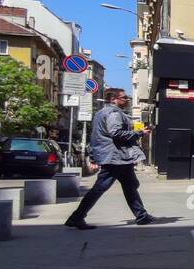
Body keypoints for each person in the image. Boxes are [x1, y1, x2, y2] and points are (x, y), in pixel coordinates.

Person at [65, 89, 156, 229]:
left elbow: (97, 136)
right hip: (115, 157)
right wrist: (139, 133)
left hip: (119, 158)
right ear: (113, 99)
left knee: (131, 185)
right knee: (100, 188)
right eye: (124, 98)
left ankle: (141, 216)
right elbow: (116, 133)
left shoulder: (102, 113)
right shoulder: (114, 113)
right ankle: (77, 217)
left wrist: (95, 157)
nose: (127, 100)